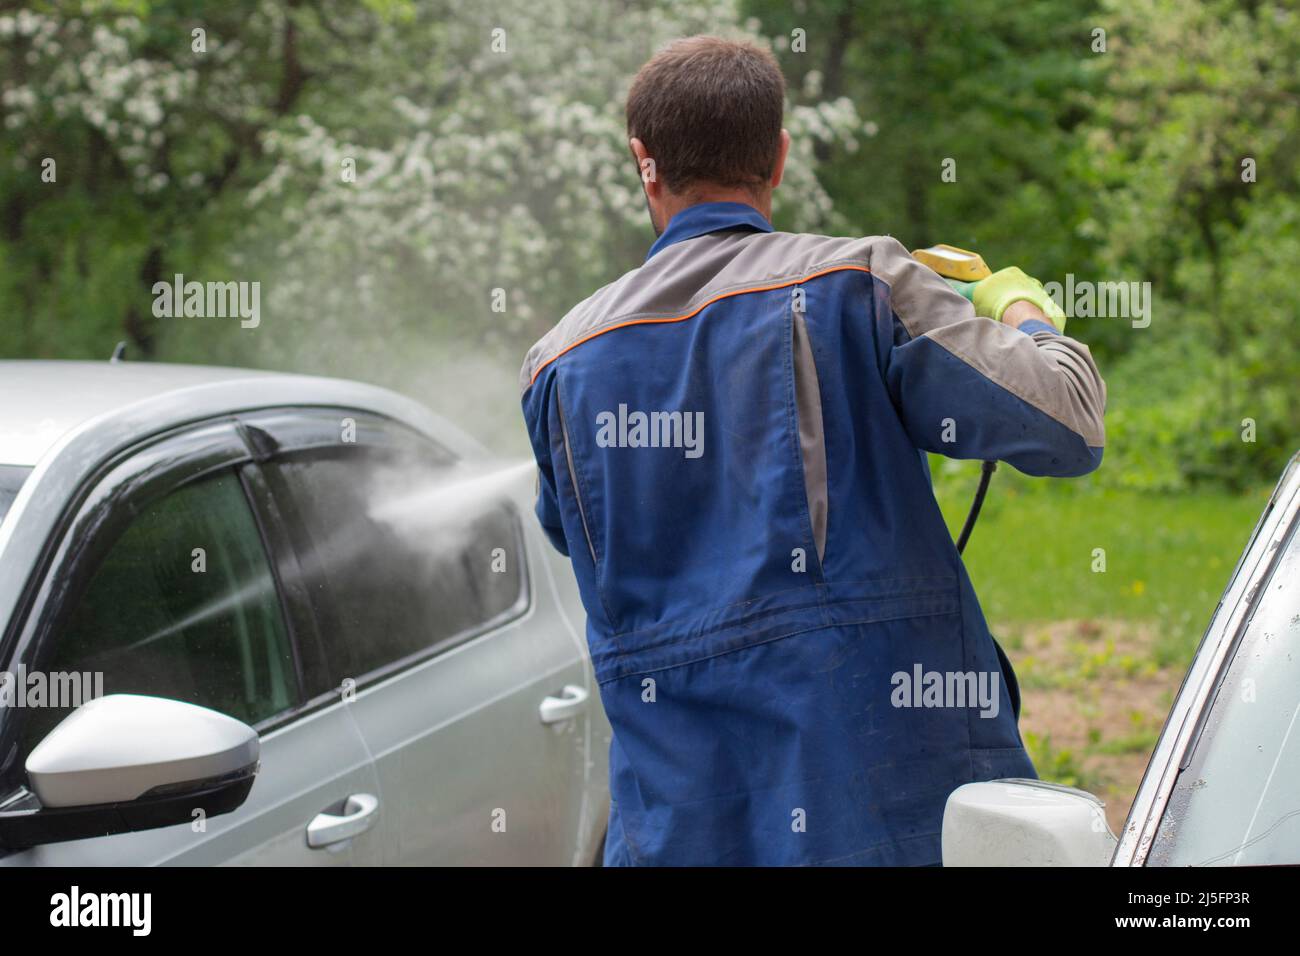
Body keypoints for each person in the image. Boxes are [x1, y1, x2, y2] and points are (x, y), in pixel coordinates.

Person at [519, 35, 1106, 866]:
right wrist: (1021, 312)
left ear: (642, 162)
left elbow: (568, 531)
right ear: (781, 156)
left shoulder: (557, 365)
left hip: (679, 836)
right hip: (892, 816)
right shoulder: (862, 283)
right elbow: (1071, 423)